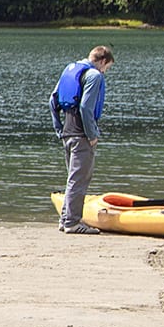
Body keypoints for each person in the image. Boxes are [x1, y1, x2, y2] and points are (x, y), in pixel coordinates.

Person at [51, 45, 115, 233]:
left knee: (73, 179)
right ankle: (72, 223)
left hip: (67, 133)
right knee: (79, 180)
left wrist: (58, 128)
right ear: (102, 61)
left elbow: (52, 101)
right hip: (81, 135)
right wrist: (92, 135)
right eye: (107, 67)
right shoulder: (94, 75)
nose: (105, 71)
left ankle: (65, 220)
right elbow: (86, 108)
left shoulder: (70, 70)